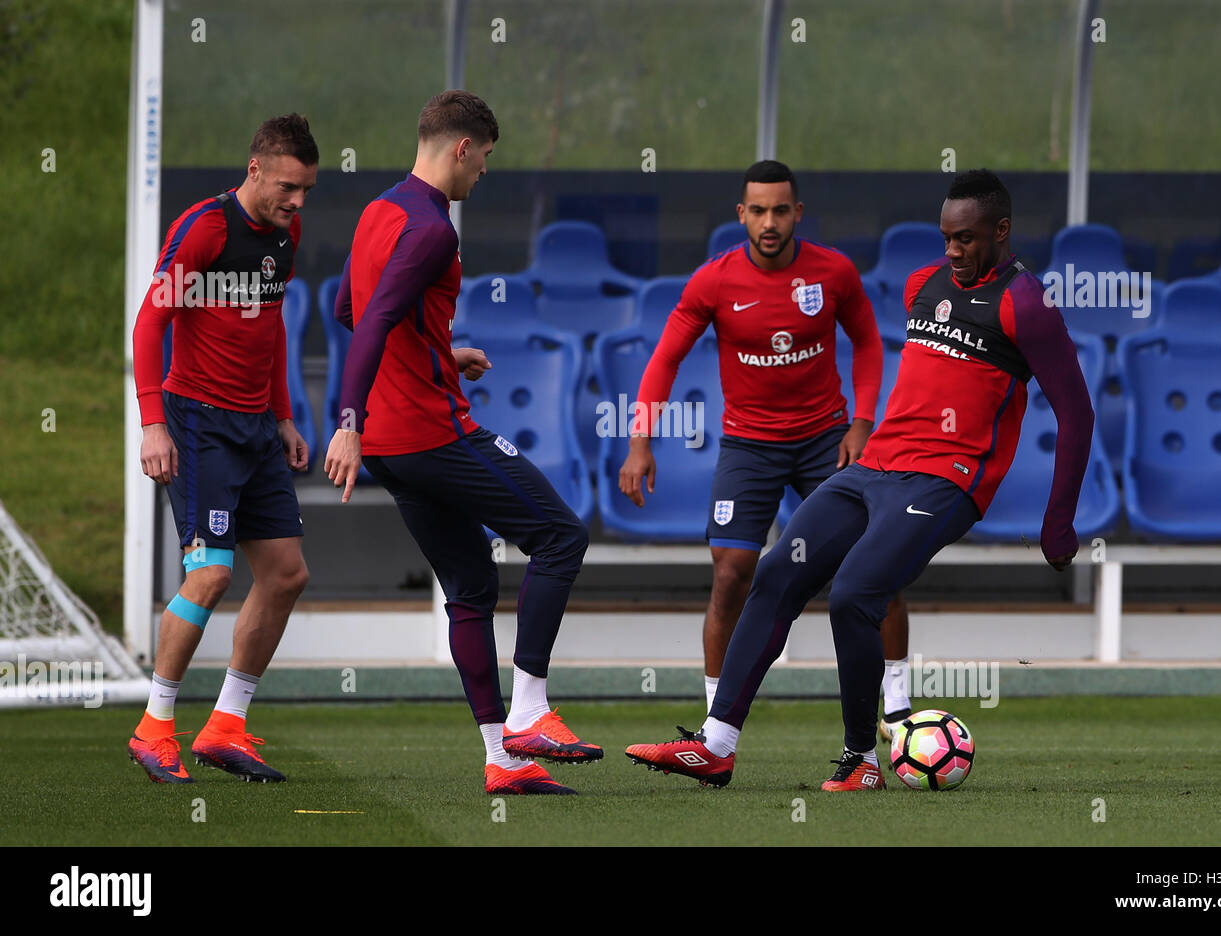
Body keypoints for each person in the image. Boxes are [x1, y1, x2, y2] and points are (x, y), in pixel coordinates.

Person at [626, 169, 1093, 791]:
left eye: (967, 240)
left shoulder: (1027, 304)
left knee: (854, 596)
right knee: (773, 574)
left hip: (945, 482)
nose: (952, 252)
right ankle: (715, 746)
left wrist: (1058, 522)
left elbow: (1077, 412)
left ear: (1001, 231)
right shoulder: (923, 285)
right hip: (874, 467)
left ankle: (861, 759)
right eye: (947, 238)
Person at [324, 90, 597, 796]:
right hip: (428, 431)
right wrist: (345, 422)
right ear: (462, 149)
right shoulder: (434, 230)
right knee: (561, 536)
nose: (484, 177)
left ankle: (502, 761)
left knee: (472, 586)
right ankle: (530, 712)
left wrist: (447, 350)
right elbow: (376, 319)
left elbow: (348, 310)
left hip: (390, 442)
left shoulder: (378, 211)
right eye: (486, 162)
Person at [618, 160, 915, 728]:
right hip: (749, 445)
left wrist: (863, 422)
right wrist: (640, 441)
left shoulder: (833, 273)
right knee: (731, 573)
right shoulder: (714, 280)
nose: (769, 221)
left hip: (827, 439)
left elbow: (869, 345)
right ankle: (714, 721)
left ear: (797, 212)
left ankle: (898, 709)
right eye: (758, 211)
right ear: (742, 215)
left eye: (780, 210)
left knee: (876, 563)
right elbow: (665, 359)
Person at [129, 114, 318, 784]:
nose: (297, 202)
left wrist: (284, 416)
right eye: (289, 187)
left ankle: (226, 725)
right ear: (256, 169)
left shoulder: (284, 236)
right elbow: (149, 326)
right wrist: (153, 424)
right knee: (209, 574)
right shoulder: (205, 229)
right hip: (198, 423)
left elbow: (269, 332)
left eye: (306, 191)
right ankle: (155, 727)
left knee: (287, 574)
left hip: (255, 428)